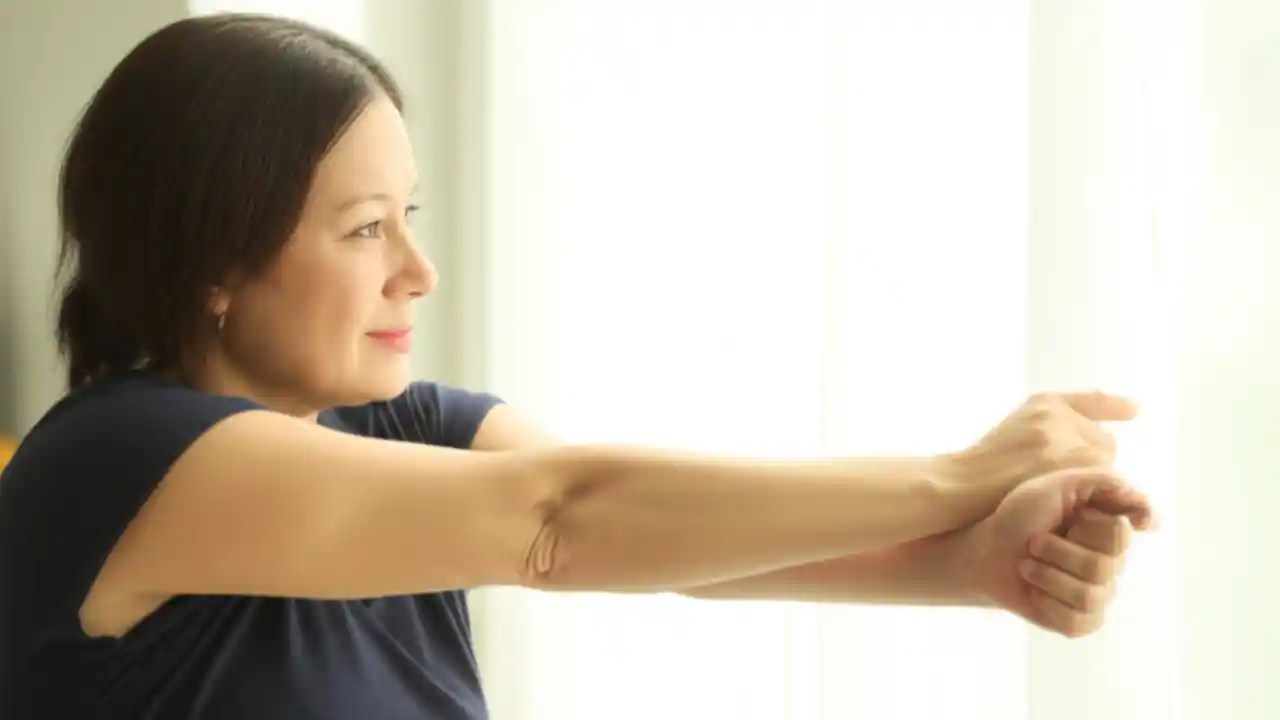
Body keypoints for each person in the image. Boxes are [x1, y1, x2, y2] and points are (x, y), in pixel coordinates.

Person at [0, 13, 1155, 720]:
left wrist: (970, 563)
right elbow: (561, 520)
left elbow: (672, 544)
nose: (418, 270)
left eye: (410, 216)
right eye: (364, 230)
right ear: (212, 261)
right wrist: (960, 475)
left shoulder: (401, 431)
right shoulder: (115, 461)